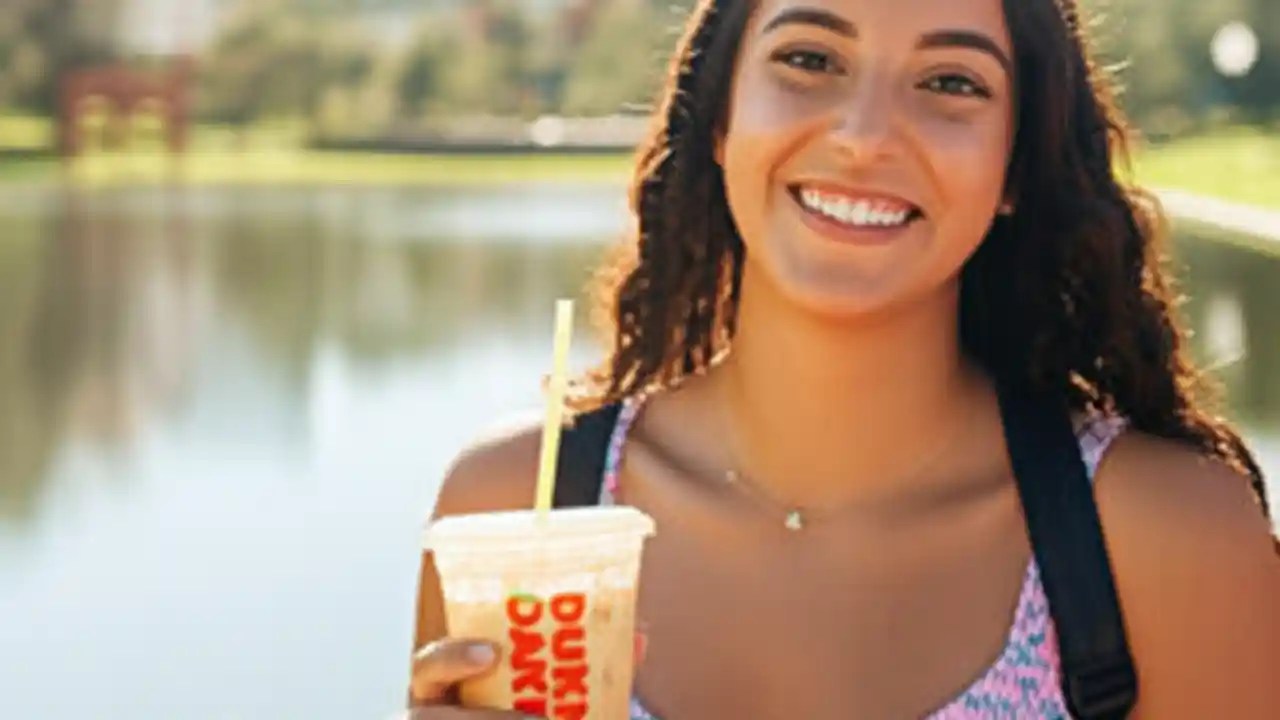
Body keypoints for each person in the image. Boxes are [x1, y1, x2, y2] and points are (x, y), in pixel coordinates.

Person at [407, 0, 1280, 717]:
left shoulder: (1166, 539)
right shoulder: (521, 511)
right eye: (810, 60)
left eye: (950, 81)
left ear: (1016, 166)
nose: (865, 136)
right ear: (718, 115)